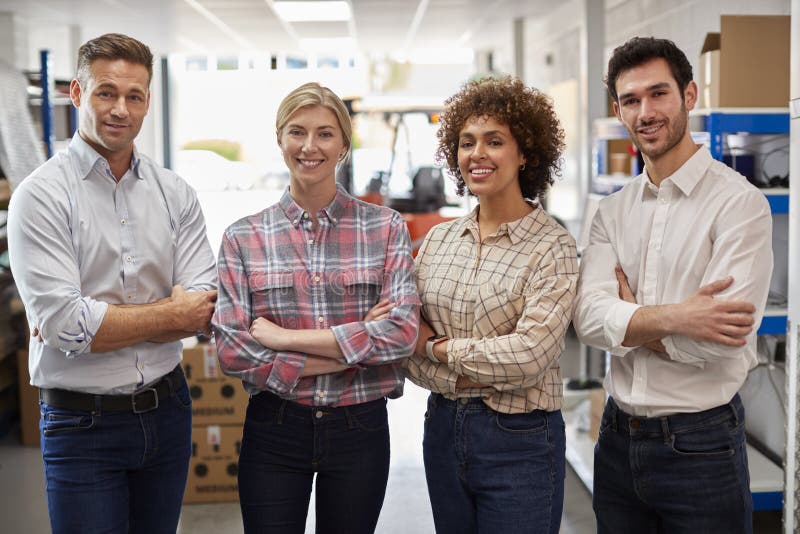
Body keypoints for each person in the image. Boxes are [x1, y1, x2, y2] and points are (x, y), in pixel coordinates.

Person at [7, 33, 217, 533]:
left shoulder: (175, 194)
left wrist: (97, 320)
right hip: (81, 426)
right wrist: (170, 313)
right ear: (77, 93)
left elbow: (203, 306)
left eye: (134, 96)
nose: (120, 109)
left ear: (147, 102)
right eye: (106, 92)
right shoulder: (40, 198)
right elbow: (65, 326)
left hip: (168, 411)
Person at [573, 36, 772, 534]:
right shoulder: (611, 211)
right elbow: (589, 320)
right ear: (619, 111)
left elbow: (721, 345)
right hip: (617, 443)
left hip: (702, 445)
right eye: (632, 100)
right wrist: (679, 317)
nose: (646, 111)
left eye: (659, 93)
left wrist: (633, 318)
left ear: (689, 95)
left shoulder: (739, 205)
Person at [212, 82, 420, 534]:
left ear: (344, 144)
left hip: (359, 428)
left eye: (325, 133)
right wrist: (354, 343)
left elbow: (402, 335)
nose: (310, 146)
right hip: (274, 427)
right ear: (280, 138)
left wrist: (283, 340)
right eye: (297, 132)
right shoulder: (242, 238)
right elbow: (231, 351)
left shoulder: (384, 228)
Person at [405, 76, 578, 534]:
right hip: (442, 430)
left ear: (525, 153)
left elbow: (529, 357)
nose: (476, 154)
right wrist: (457, 360)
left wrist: (438, 350)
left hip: (520, 440)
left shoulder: (553, 247)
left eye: (494, 141)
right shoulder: (439, 241)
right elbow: (405, 341)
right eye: (466, 142)